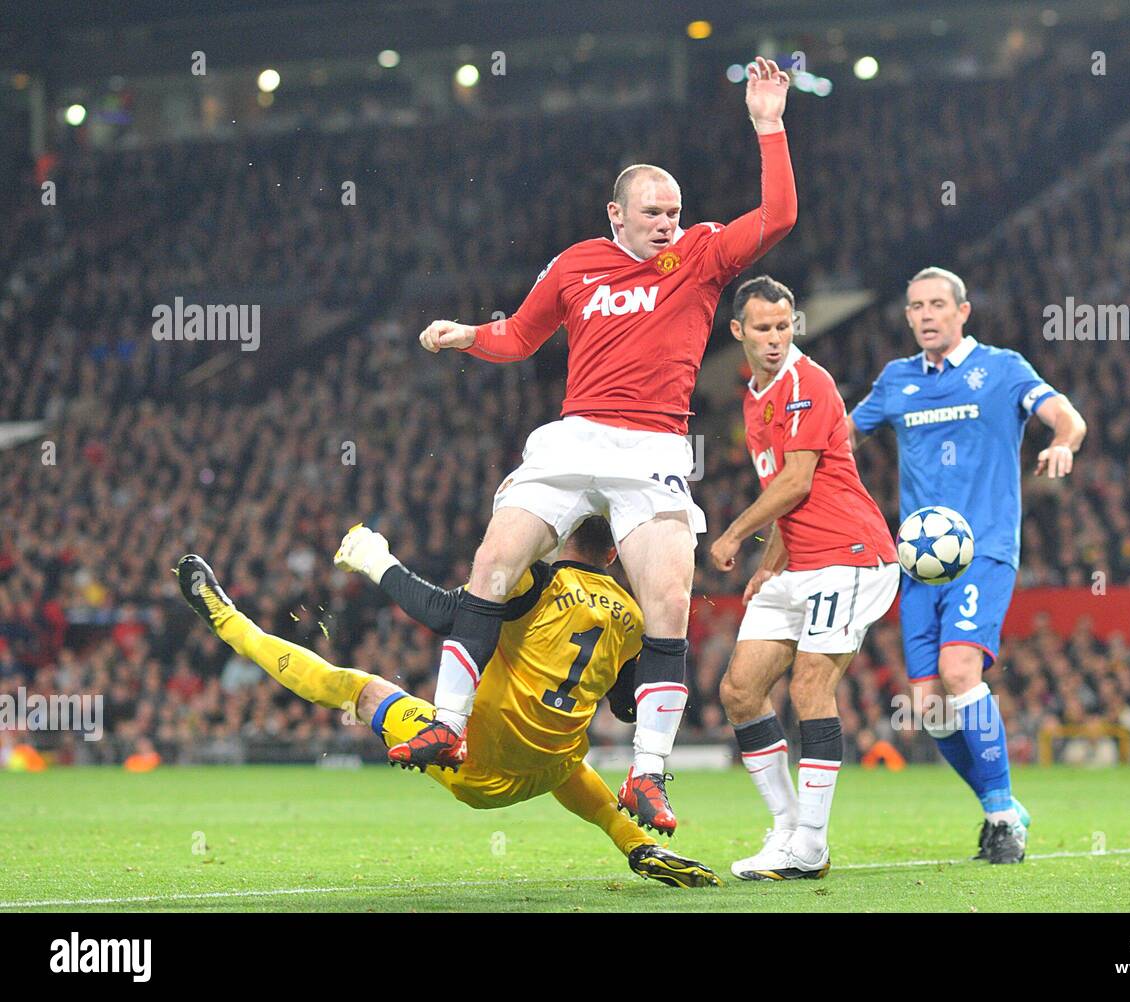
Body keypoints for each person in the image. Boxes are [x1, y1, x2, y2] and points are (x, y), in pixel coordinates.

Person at [410, 57, 798, 835]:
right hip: (573, 437)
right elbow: (519, 338)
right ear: (615, 214)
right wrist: (465, 338)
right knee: (492, 566)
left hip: (652, 448)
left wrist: (768, 126)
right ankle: (445, 723)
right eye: (653, 211)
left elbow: (779, 217)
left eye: (674, 210)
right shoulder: (574, 265)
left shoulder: (701, 255)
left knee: (668, 603)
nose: (667, 222)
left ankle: (647, 777)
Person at [173, 515, 720, 889]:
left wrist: (377, 560)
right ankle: (636, 843)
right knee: (558, 747)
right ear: (614, 551)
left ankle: (228, 621)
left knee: (358, 689)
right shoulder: (634, 612)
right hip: (553, 767)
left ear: (557, 537)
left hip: (476, 768)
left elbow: (441, 613)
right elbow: (628, 707)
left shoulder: (534, 580)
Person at [850, 267, 1088, 863]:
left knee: (960, 673)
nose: (926, 314)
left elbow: (1068, 416)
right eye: (915, 306)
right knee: (929, 709)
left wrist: (1062, 443)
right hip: (918, 566)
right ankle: (998, 806)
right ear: (907, 317)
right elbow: (841, 436)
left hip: (982, 550)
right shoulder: (897, 380)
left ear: (963, 312)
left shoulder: (1002, 370)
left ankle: (1004, 817)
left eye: (937, 304)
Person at [708, 276, 899, 879]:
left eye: (783, 326)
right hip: (800, 561)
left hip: (849, 554)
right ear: (738, 331)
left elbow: (797, 483)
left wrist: (736, 535)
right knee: (740, 692)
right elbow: (782, 498)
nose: (773, 338)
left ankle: (811, 842)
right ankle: (789, 830)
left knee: (809, 687)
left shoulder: (806, 382)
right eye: (761, 328)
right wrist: (769, 565)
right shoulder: (753, 395)